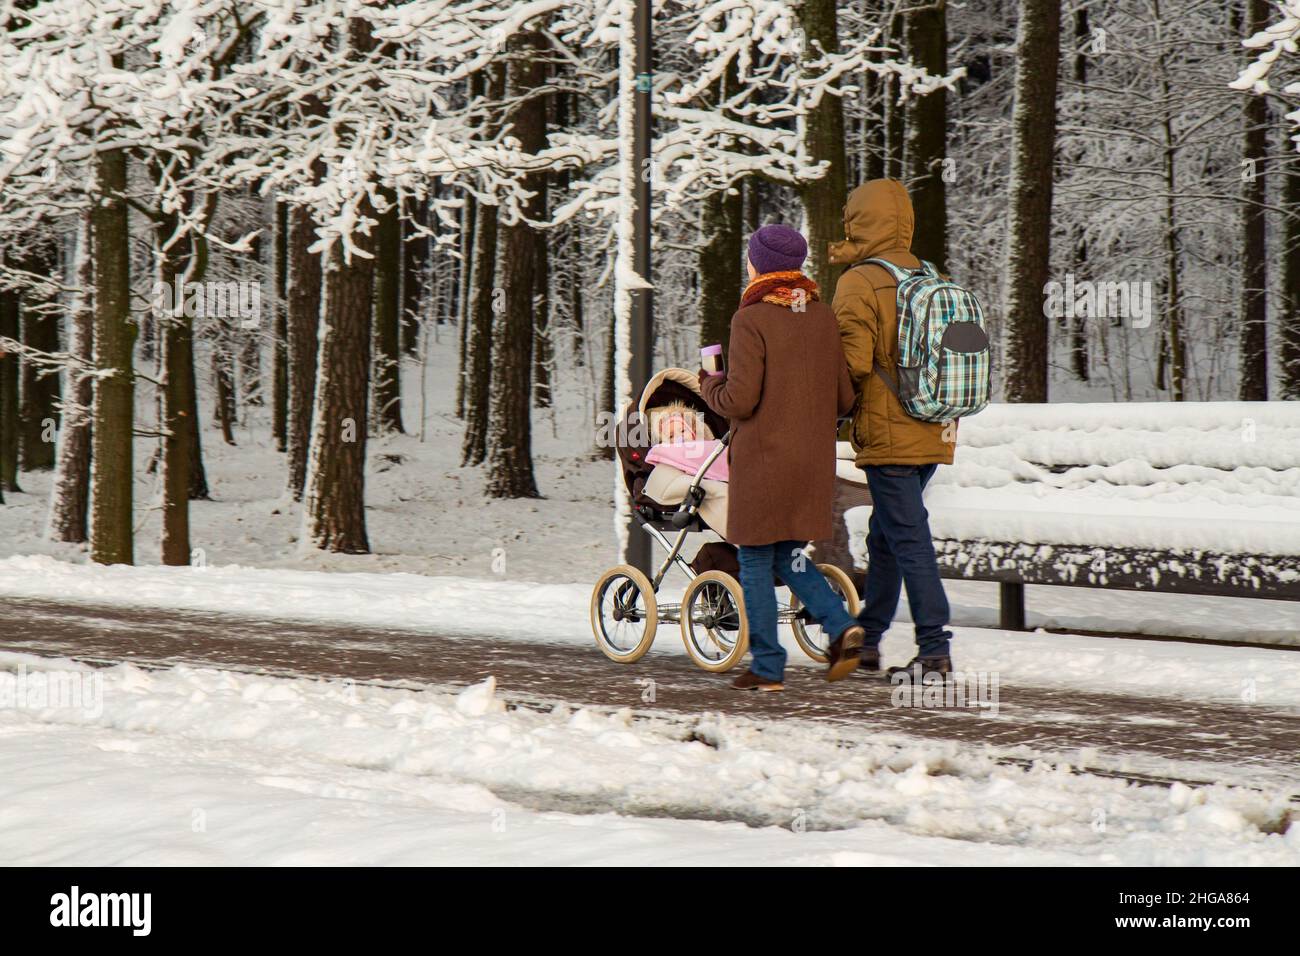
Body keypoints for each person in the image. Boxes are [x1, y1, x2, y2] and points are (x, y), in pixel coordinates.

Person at [699, 224, 864, 691]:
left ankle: (767, 667)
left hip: (765, 460)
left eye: (751, 260)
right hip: (811, 460)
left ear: (760, 266)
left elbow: (739, 401)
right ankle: (839, 624)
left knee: (753, 558)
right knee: (789, 555)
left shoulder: (749, 319)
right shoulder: (822, 315)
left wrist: (710, 381)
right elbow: (843, 399)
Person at [829, 179, 956, 679]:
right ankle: (870, 638)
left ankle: (934, 648)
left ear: (861, 221)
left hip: (889, 432)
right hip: (935, 427)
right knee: (886, 534)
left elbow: (852, 365)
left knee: (907, 536)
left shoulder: (859, 282)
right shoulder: (927, 272)